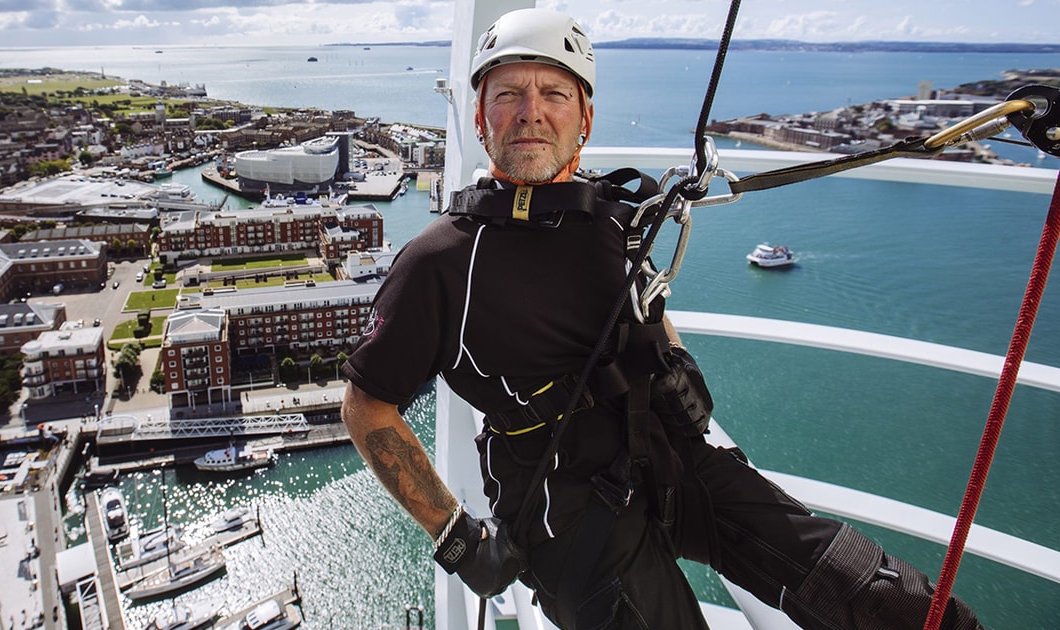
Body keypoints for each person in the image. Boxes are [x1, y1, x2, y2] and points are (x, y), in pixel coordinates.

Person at [341, 7, 982, 630]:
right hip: (563, 507)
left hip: (670, 456)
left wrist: (677, 368)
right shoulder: (441, 261)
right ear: (479, 118)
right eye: (507, 94)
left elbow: (645, 311)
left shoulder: (616, 222)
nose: (530, 111)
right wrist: (456, 537)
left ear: (585, 118)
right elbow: (366, 405)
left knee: (878, 596)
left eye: (554, 93)